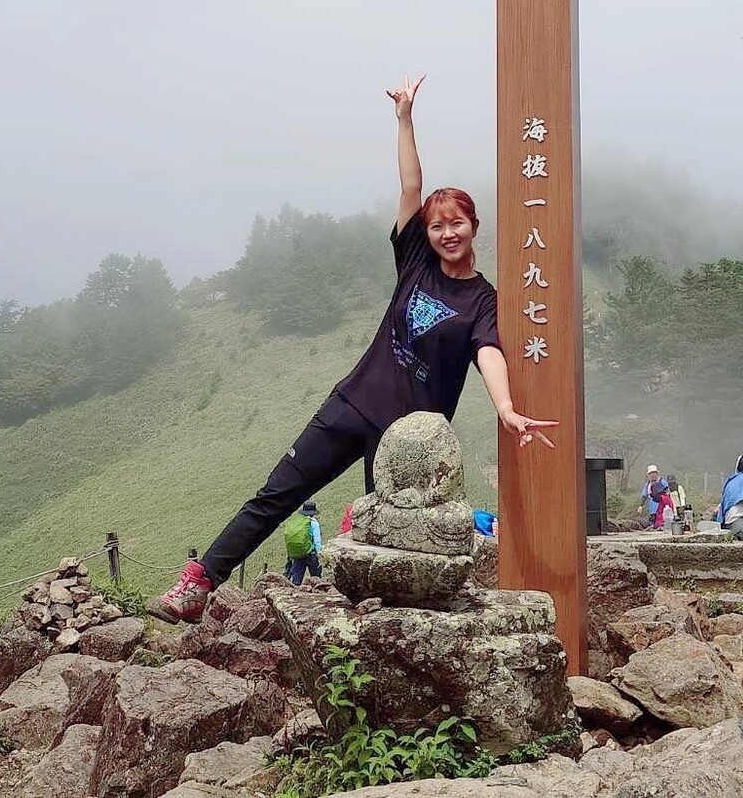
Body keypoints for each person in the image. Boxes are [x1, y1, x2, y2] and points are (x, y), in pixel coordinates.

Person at [148, 75, 556, 624]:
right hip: (353, 403)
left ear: (474, 226)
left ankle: (371, 635)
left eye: (456, 223)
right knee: (276, 493)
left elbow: (489, 351)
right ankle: (198, 586)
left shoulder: (483, 299)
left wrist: (504, 407)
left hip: (406, 440)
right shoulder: (415, 262)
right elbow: (412, 187)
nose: (446, 233)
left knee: (389, 541)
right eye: (437, 226)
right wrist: (405, 119)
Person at [283, 500, 322, 584]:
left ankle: (293, 595)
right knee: (317, 580)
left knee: (296, 581)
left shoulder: (297, 523)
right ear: (313, 512)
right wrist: (319, 554)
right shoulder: (314, 523)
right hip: (311, 554)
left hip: (298, 554)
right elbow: (317, 541)